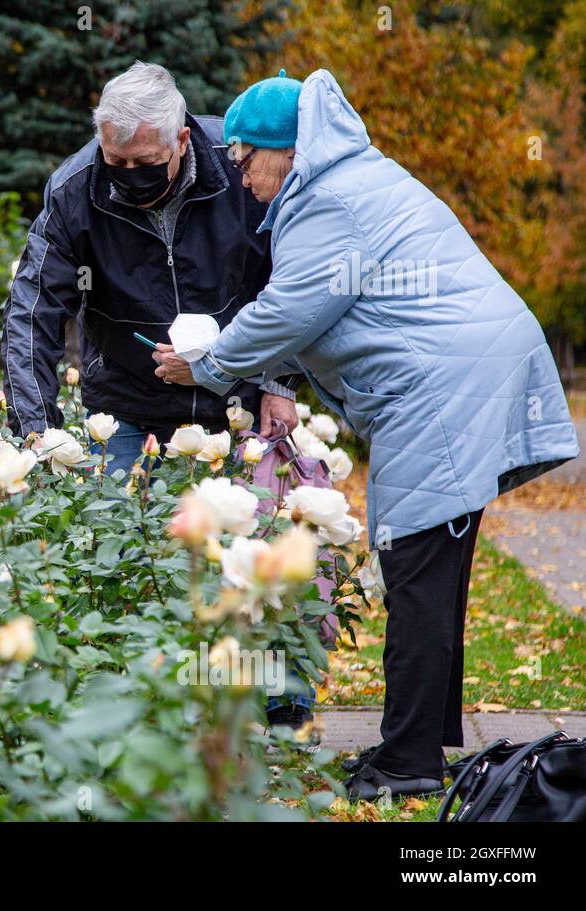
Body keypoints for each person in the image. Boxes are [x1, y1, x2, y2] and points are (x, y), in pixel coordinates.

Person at [152, 69, 580, 800]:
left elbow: (290, 309)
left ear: (284, 150)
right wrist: (260, 372)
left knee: (416, 569)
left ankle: (407, 758)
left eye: (247, 158)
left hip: (445, 388)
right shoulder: (340, 184)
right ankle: (417, 743)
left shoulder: (331, 200)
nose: (243, 176)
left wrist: (209, 364)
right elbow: (322, 318)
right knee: (430, 572)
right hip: (456, 378)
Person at [1, 61, 303, 471]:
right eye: (116, 162)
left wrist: (281, 383)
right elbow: (32, 313)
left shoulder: (241, 169)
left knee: (234, 533)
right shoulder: (74, 192)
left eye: (144, 163)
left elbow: (293, 282)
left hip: (238, 406)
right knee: (123, 531)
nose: (128, 175)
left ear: (181, 140)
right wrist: (34, 437)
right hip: (127, 408)